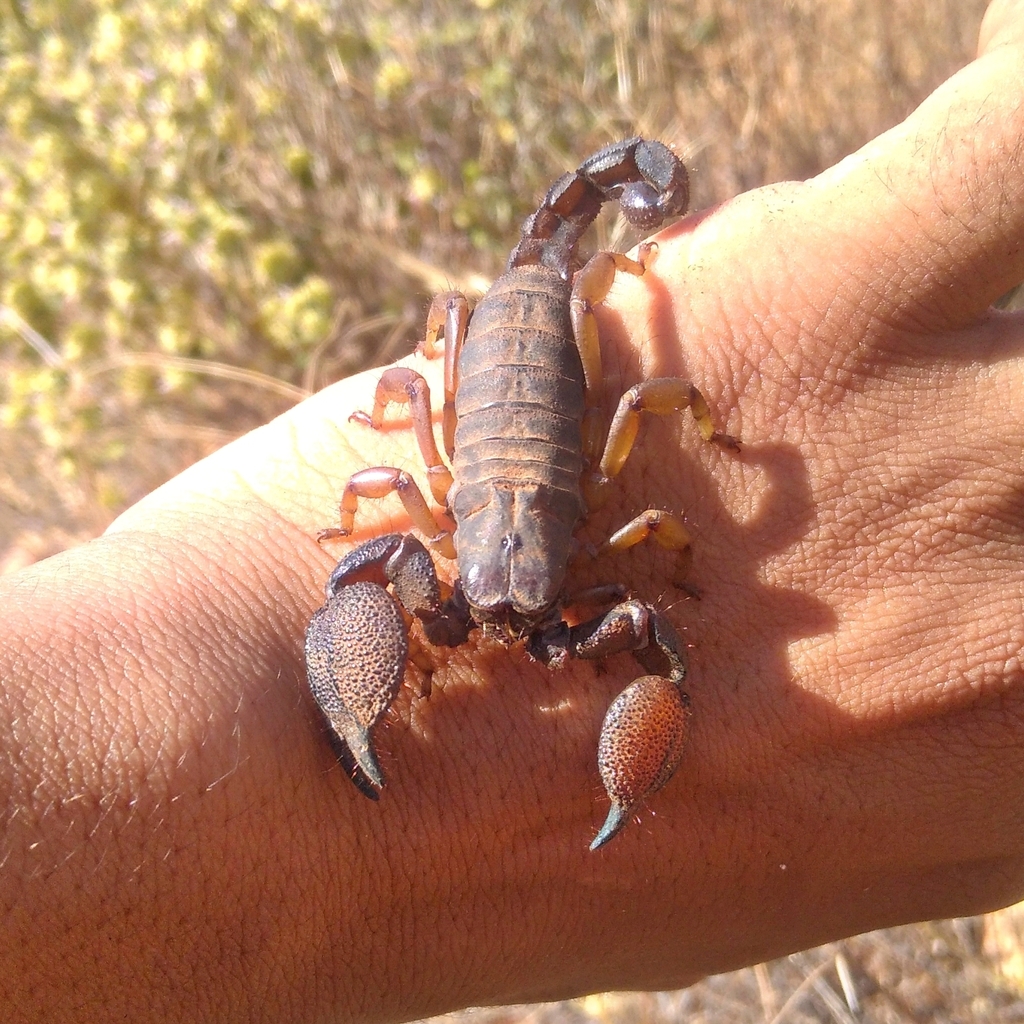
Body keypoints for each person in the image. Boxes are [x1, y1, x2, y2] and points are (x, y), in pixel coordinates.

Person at [3, 2, 1024, 1020]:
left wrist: (690, 500)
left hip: (535, 376)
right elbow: (377, 521)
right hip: (491, 404)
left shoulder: (586, 559)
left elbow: (648, 532)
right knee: (408, 487)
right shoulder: (446, 542)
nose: (501, 616)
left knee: (620, 392)